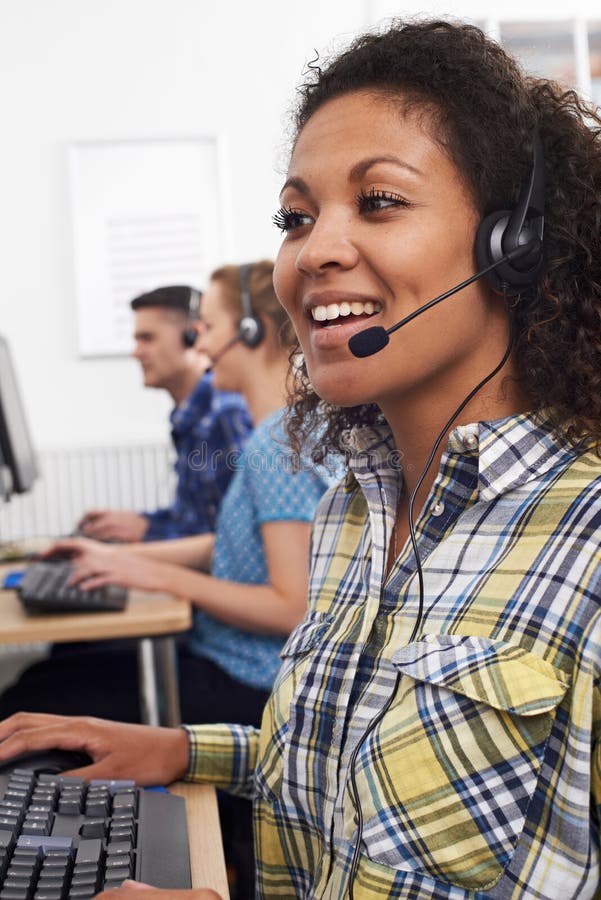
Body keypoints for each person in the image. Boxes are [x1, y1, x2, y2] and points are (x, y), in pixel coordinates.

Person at [2, 18, 601, 900]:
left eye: (380, 201)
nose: (314, 249)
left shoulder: (583, 542)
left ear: (511, 245)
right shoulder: (353, 510)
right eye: (295, 216)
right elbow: (349, 774)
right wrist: (178, 747)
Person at [78, 284, 252, 542]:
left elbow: (235, 541)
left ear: (193, 336)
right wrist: (141, 522)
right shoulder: (190, 416)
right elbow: (194, 519)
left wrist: (147, 532)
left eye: (147, 338)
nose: (135, 352)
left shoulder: (224, 416)